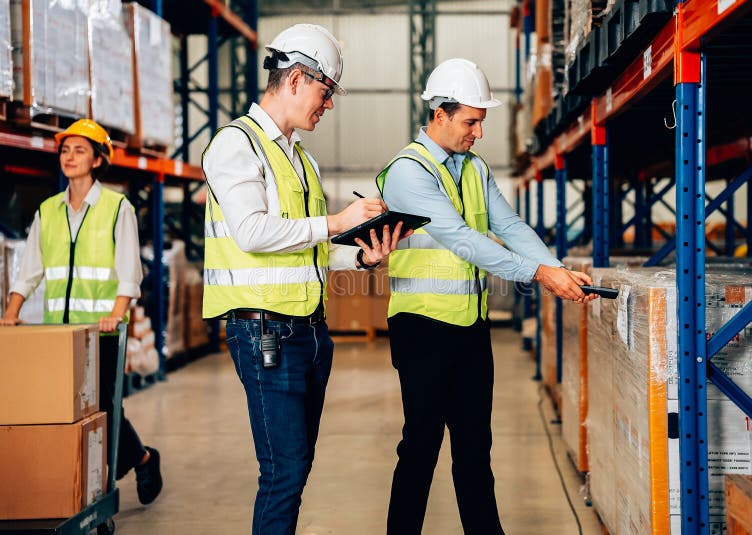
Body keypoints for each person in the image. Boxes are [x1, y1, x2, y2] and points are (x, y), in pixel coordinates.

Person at [201, 24, 408, 535]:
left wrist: (360, 259)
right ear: (295, 78)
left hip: (309, 334)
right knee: (283, 472)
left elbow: (310, 251)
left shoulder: (302, 161)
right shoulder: (236, 145)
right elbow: (251, 231)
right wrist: (338, 222)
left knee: (295, 468)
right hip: (264, 332)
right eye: (326, 91)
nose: (328, 105)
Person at [376, 58, 598, 535]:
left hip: (470, 328)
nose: (478, 132)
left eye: (481, 121)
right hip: (423, 328)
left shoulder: (473, 168)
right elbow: (463, 239)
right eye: (470, 121)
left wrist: (558, 270)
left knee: (476, 448)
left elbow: (509, 225)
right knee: (421, 446)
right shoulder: (406, 173)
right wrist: (539, 274)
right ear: (440, 114)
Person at [0, 118, 163, 505]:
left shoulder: (115, 208)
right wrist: (11, 311)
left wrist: (117, 313)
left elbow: (129, 272)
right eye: (65, 150)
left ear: (97, 160)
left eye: (79, 150)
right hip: (59, 336)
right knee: (63, 410)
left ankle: (130, 465)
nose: (69, 157)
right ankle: (114, 467)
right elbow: (29, 272)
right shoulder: (48, 211)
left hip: (101, 332)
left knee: (103, 408)